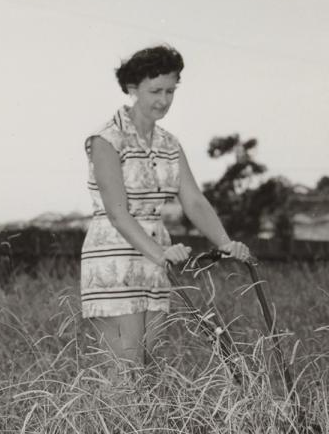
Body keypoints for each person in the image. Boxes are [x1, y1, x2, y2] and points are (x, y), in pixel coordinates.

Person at [81, 44, 250, 365]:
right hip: (114, 258)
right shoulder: (107, 139)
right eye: (154, 91)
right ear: (133, 89)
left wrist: (225, 243)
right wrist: (159, 253)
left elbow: (194, 200)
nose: (163, 100)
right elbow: (117, 213)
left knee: (148, 363)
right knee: (123, 366)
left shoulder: (169, 144)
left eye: (170, 91)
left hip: (157, 257)